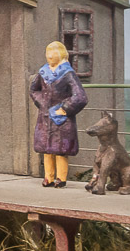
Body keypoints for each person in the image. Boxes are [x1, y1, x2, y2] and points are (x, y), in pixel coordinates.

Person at [30, 40, 88, 187]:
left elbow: (80, 96)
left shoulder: (68, 73)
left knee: (61, 149)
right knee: (47, 148)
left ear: (61, 54)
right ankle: (48, 177)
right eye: (48, 53)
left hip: (61, 117)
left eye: (53, 52)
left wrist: (65, 108)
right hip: (45, 116)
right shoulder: (43, 72)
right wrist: (42, 102)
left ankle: (61, 178)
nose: (49, 56)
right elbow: (34, 90)